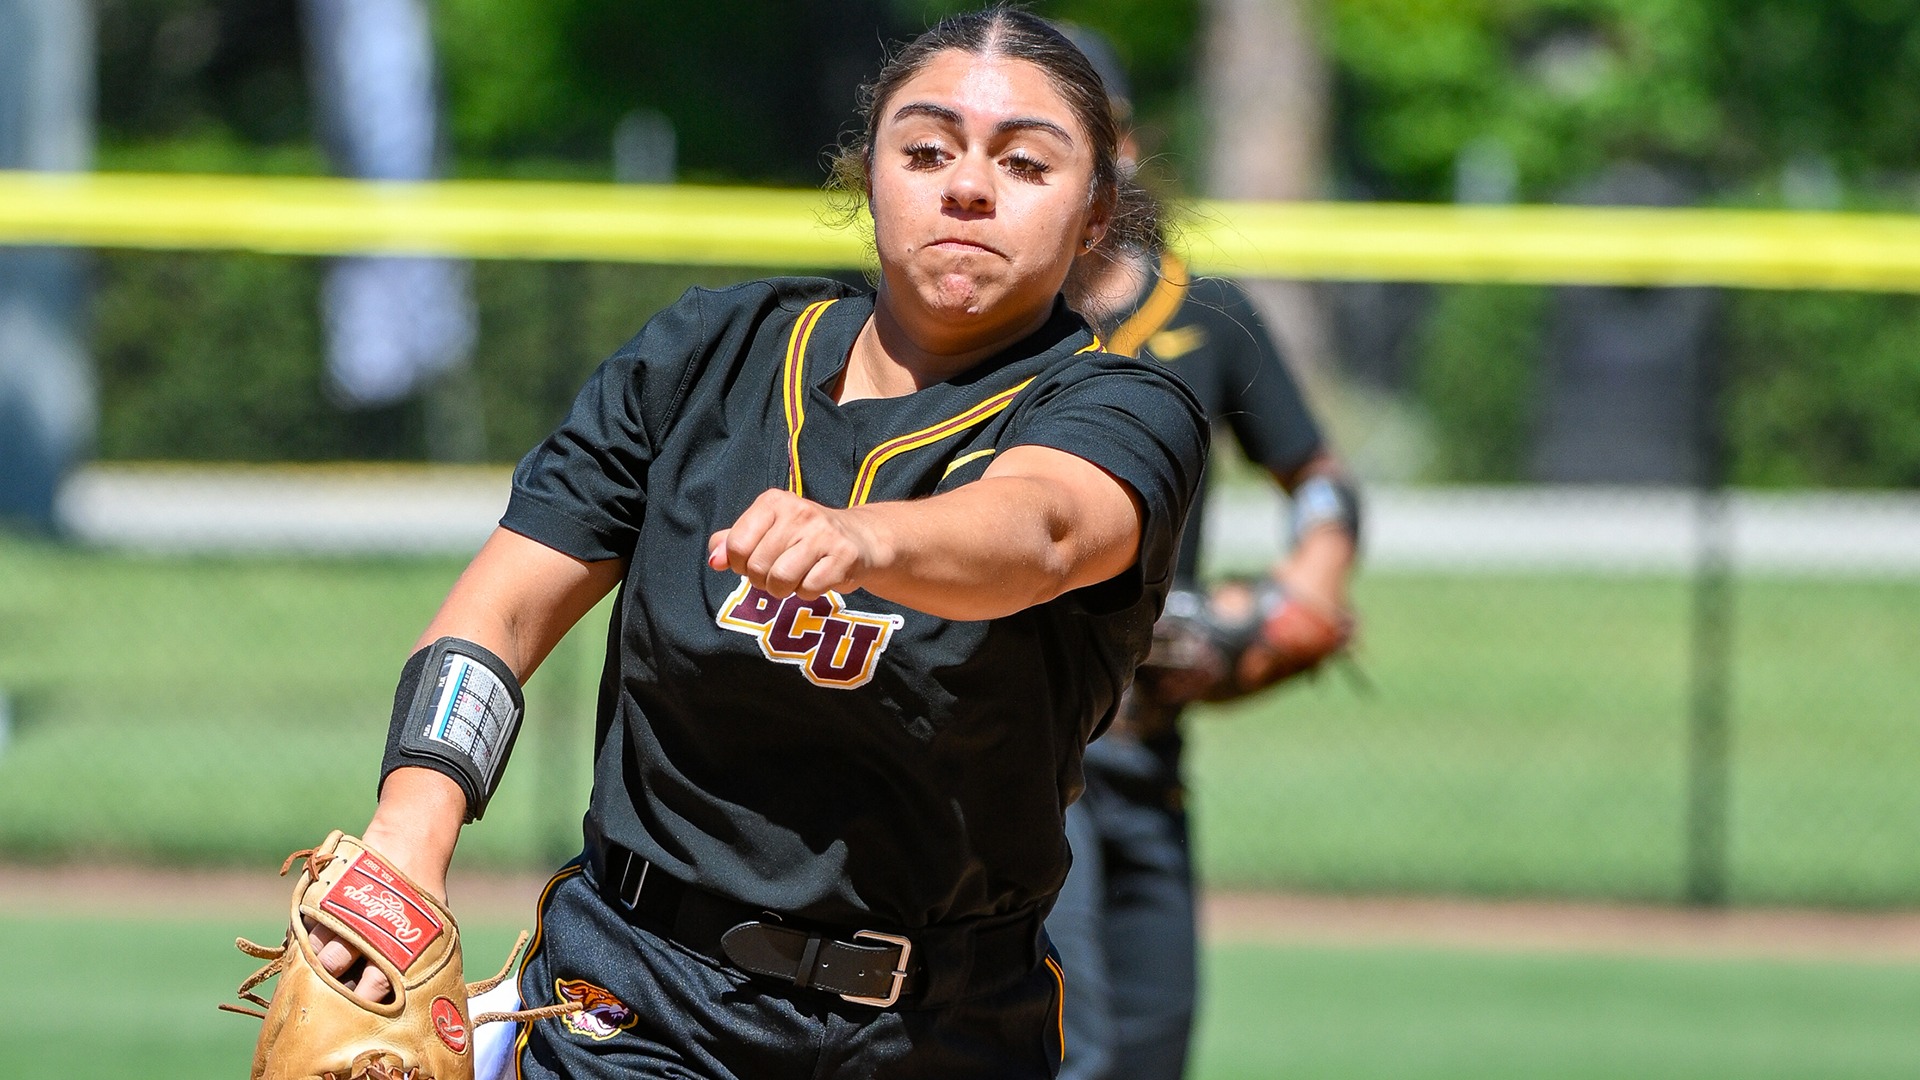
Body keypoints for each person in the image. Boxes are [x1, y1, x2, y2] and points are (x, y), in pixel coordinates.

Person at [302, 9, 1207, 1080]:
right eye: (924, 150)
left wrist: (865, 538)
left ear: (1098, 211)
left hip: (940, 1028)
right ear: (865, 175)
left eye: (1024, 162)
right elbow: (498, 616)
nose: (967, 187)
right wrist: (411, 831)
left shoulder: (1117, 407)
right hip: (637, 1001)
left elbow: (1045, 529)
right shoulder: (707, 360)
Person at [1043, 27, 1362, 1080]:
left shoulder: (1208, 314)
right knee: (1073, 1050)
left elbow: (1319, 475)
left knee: (1152, 1046)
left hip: (1151, 750)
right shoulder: (993, 327)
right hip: (1033, 759)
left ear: (1121, 148)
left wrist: (1313, 573)